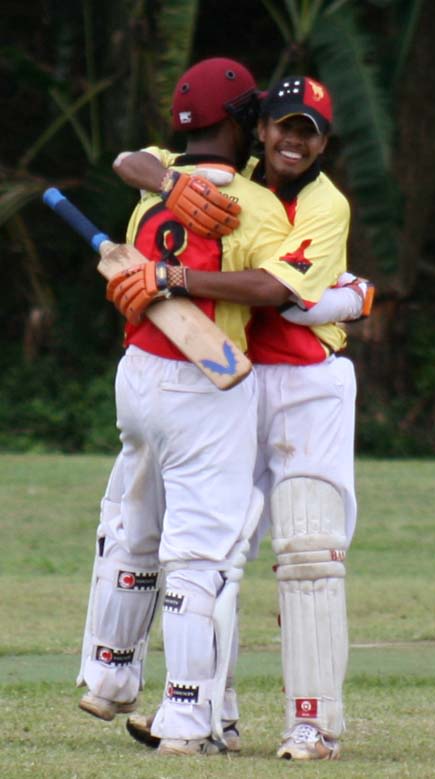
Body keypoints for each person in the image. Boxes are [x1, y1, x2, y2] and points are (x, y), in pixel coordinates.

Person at [76, 57, 335, 758]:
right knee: (200, 554)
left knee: (131, 523)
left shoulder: (155, 184)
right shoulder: (248, 203)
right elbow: (276, 288)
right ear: (244, 123)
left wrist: (167, 187)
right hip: (205, 381)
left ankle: (107, 673)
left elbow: (132, 161)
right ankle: (189, 714)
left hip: (137, 370)